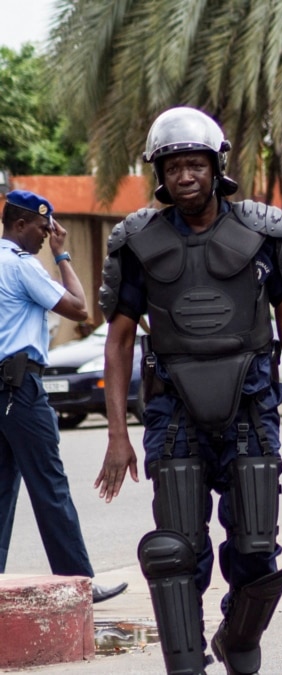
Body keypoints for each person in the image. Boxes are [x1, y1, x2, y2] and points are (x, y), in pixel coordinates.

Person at [94, 107, 282, 675]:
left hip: (251, 405)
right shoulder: (136, 241)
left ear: (217, 166)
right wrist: (117, 433)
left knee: (255, 546)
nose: (185, 177)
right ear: (160, 174)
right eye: (173, 168)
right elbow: (119, 340)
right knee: (177, 551)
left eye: (195, 164)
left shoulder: (265, 232)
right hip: (173, 412)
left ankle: (239, 645)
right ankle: (186, 665)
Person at [0, 189, 127, 604]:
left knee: (2, 488)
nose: (46, 234)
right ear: (20, 225)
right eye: (41, 227)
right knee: (50, 487)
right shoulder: (22, 266)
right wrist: (62, 256)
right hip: (21, 389)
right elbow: (80, 308)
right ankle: (80, 584)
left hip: (4, 390)